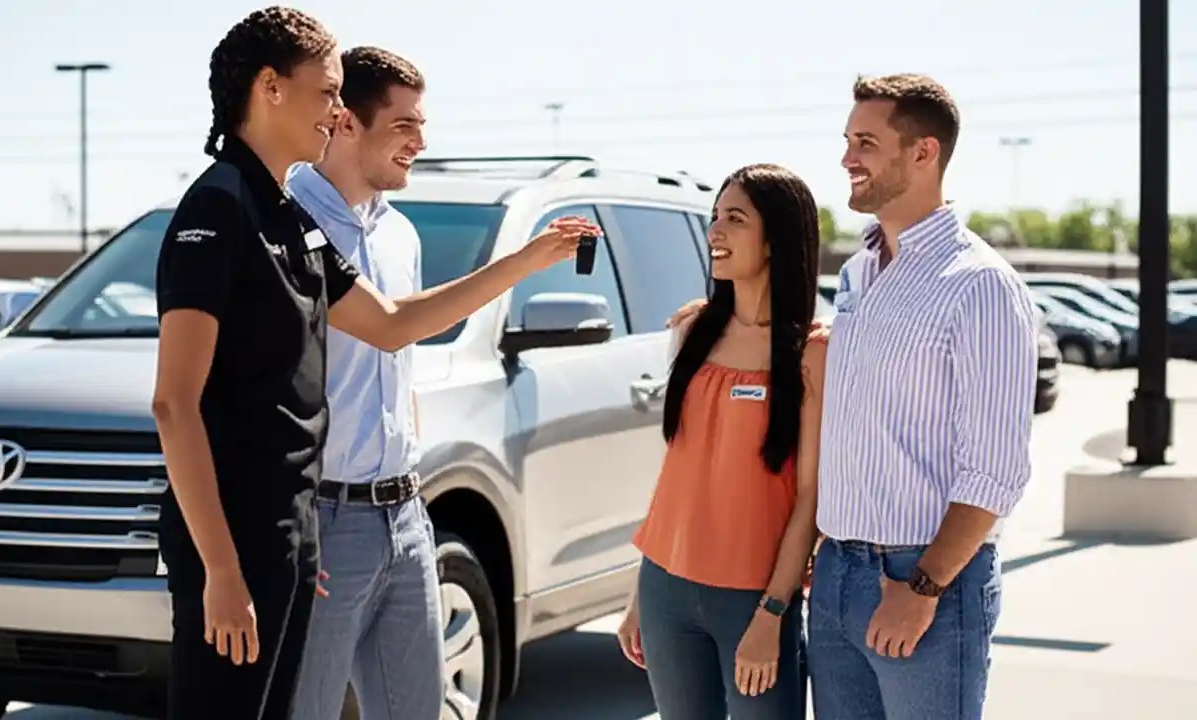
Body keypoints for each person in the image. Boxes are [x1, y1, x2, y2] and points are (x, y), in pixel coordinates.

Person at [152, 11, 595, 718]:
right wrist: (223, 568)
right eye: (326, 92)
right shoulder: (220, 208)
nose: (335, 111)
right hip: (249, 543)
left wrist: (523, 262)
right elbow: (174, 403)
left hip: (299, 536)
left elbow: (390, 325)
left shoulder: (284, 217)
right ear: (270, 88)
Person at [281, 47, 601, 720]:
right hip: (324, 525)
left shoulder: (399, 234)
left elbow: (396, 372)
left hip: (404, 517)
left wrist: (412, 501)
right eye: (403, 124)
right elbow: (391, 327)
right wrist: (522, 263)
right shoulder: (287, 226)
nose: (420, 142)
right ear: (343, 122)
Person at [806, 74, 1037, 720]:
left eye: (866, 143)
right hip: (835, 576)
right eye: (849, 141)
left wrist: (925, 585)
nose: (848, 159)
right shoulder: (857, 271)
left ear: (923, 153)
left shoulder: (981, 286)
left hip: (923, 581)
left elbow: (996, 470)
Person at [615, 163, 827, 720]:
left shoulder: (815, 353)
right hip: (666, 589)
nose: (715, 233)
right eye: (715, 218)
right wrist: (641, 593)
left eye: (735, 219)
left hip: (754, 600)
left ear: (777, 239)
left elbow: (811, 495)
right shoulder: (692, 331)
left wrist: (773, 613)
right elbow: (678, 468)